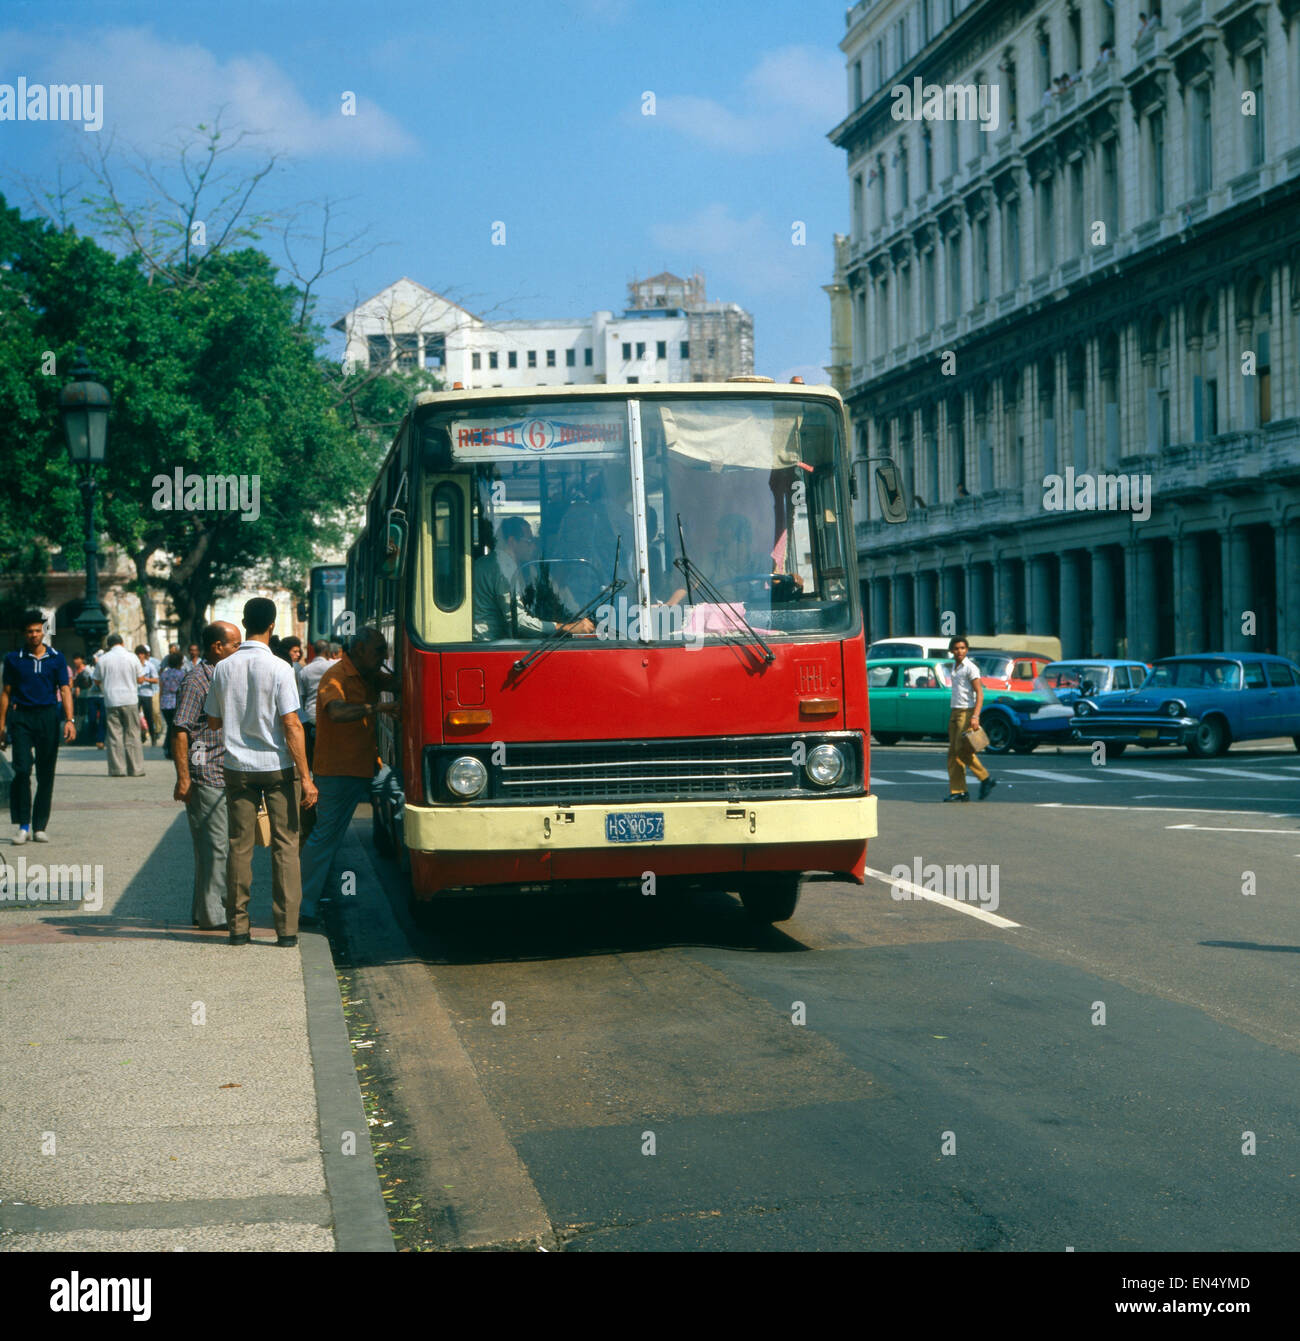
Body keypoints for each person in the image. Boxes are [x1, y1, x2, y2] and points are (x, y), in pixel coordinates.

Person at [205, 597, 317, 947]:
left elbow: (212, 720)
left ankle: (238, 928)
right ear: (272, 625)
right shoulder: (281, 668)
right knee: (285, 845)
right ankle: (286, 929)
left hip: (237, 767)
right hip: (278, 767)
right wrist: (307, 777)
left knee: (239, 845)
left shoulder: (223, 667)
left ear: (244, 621)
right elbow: (291, 724)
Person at [298, 627, 399, 926]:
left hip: (366, 766)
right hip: (338, 770)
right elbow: (337, 712)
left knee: (401, 794)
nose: (385, 656)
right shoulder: (336, 676)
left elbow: (396, 681)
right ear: (358, 651)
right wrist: (379, 707)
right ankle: (303, 905)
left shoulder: (368, 672)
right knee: (326, 836)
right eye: (379, 650)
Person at [172, 621, 241, 931]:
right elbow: (181, 730)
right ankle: (214, 916)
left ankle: (206, 910)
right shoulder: (197, 681)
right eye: (235, 646)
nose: (239, 651)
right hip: (206, 774)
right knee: (216, 847)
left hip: (226, 771)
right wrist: (184, 778)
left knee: (217, 846)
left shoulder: (226, 676)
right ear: (217, 647)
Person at [0, 610, 74, 844]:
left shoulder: (56, 658)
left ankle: (40, 825)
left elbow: (65, 689)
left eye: (37, 630)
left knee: (45, 773)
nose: (33, 634)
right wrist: (1, 724)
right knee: (21, 770)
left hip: (48, 717)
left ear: (43, 631)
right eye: (29, 631)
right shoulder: (14, 658)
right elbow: (6, 693)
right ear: (24, 634)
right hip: (21, 717)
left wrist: (70, 720)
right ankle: (23, 825)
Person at [472, 516, 593, 640]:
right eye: (529, 541)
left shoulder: (503, 563)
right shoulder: (503, 567)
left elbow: (549, 588)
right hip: (488, 643)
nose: (534, 547)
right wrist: (567, 627)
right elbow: (518, 623)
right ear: (512, 542)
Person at [945, 635, 995, 802]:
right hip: (955, 711)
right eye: (956, 648)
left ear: (967, 650)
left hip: (966, 712)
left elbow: (979, 693)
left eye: (963, 648)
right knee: (953, 753)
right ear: (951, 650)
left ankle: (985, 778)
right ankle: (959, 791)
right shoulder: (955, 666)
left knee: (961, 750)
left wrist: (975, 716)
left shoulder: (970, 668)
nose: (959, 651)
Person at [96, 634, 146, 776]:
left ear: (109, 645)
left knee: (114, 735)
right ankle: (136, 769)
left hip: (111, 700)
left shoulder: (103, 659)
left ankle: (118, 769)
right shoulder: (132, 657)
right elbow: (141, 679)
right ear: (122, 643)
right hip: (130, 699)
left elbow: (96, 680)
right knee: (133, 733)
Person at [295, 639, 336, 768]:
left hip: (311, 716)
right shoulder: (333, 667)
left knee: (313, 751)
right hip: (330, 713)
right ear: (327, 651)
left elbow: (303, 695)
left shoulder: (304, 671)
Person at [158, 652, 187, 756]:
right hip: (176, 702)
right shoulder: (182, 674)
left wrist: (160, 702)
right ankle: (170, 747)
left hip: (165, 703)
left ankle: (167, 746)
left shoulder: (164, 674)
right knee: (174, 727)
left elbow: (161, 689)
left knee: (170, 725)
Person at [76, 652, 106, 748]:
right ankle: (93, 736)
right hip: (91, 695)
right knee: (92, 718)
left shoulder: (104, 668)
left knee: (103, 718)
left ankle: (100, 739)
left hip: (103, 695)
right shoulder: (88, 669)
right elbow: (83, 680)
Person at [135, 645, 160, 746]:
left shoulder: (150, 666)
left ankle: (153, 736)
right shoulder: (134, 665)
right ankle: (140, 735)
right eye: (138, 654)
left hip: (146, 693)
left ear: (145, 655)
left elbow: (156, 680)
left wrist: (145, 679)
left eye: (141, 654)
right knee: (136, 717)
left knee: (148, 715)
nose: (139, 656)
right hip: (136, 693)